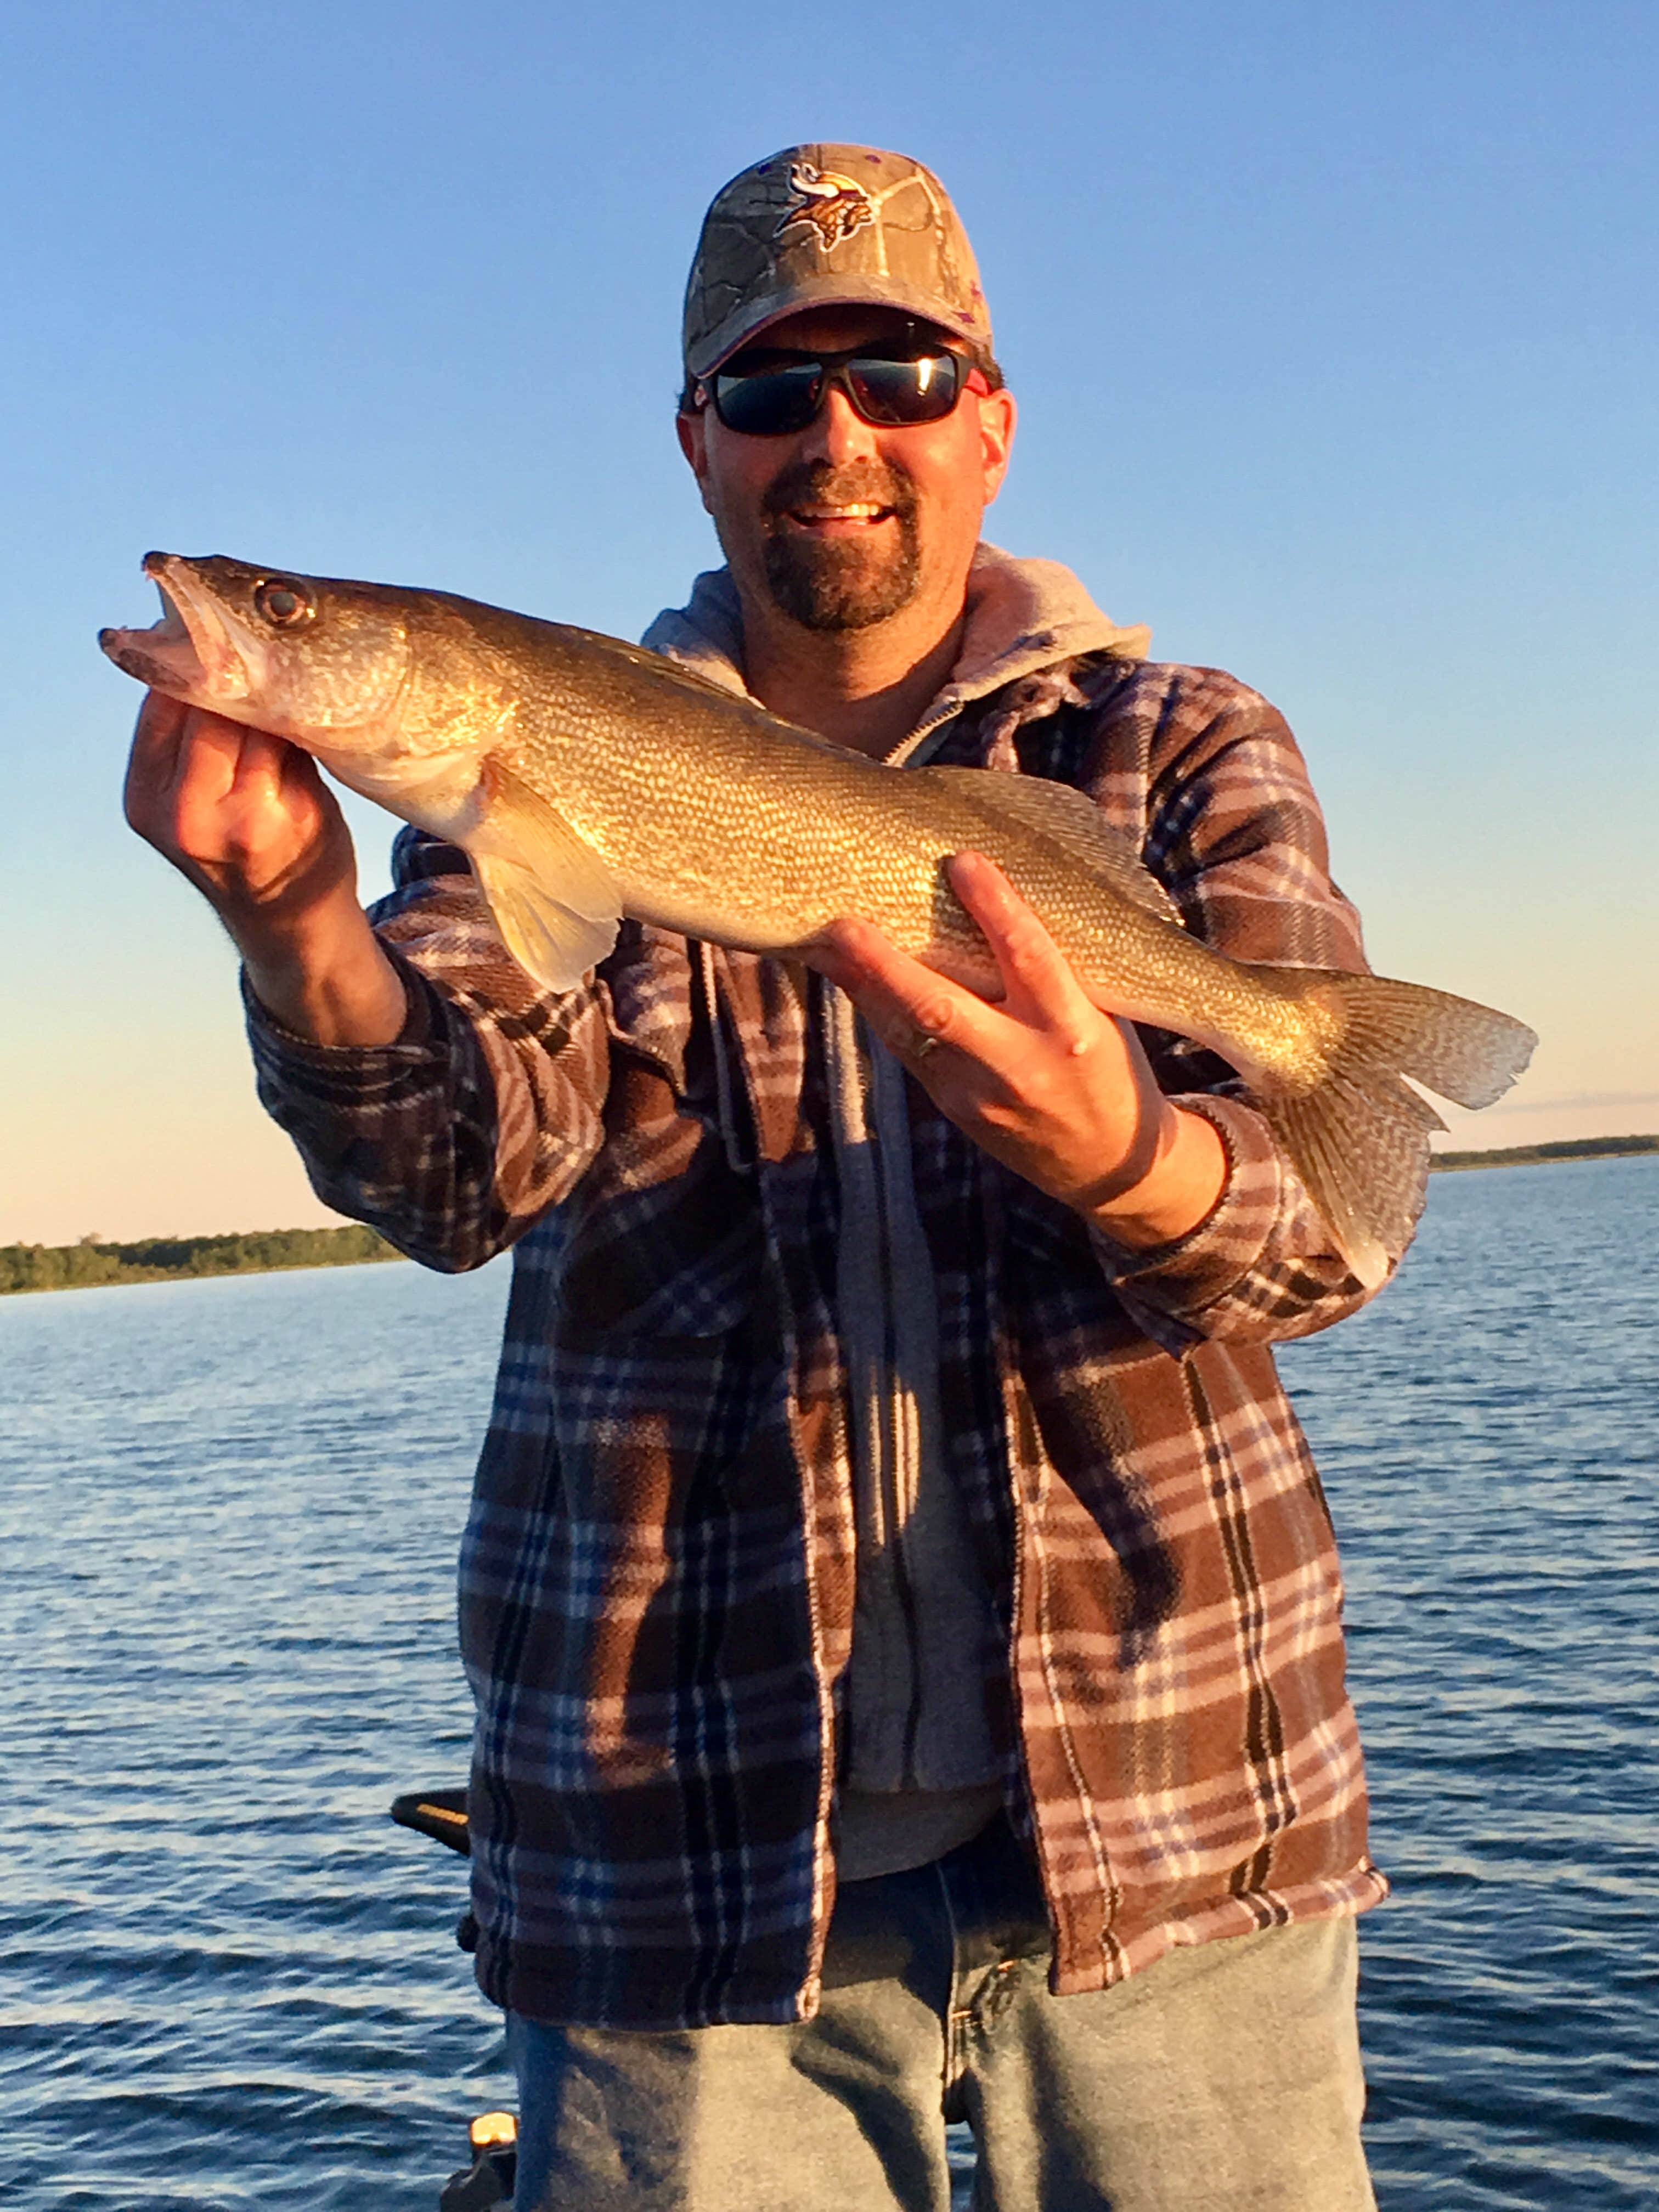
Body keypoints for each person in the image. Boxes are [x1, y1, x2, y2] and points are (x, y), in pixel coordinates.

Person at [125, 145, 1386, 2210]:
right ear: (695, 442)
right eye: (772, 392)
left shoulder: (1174, 742)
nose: (839, 437)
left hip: (1185, 1781)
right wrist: (293, 924)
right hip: (682, 1832)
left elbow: (1321, 1242)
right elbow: (455, 1173)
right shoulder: (513, 767)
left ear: (987, 418)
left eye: (895, 375)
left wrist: (1132, 1152)